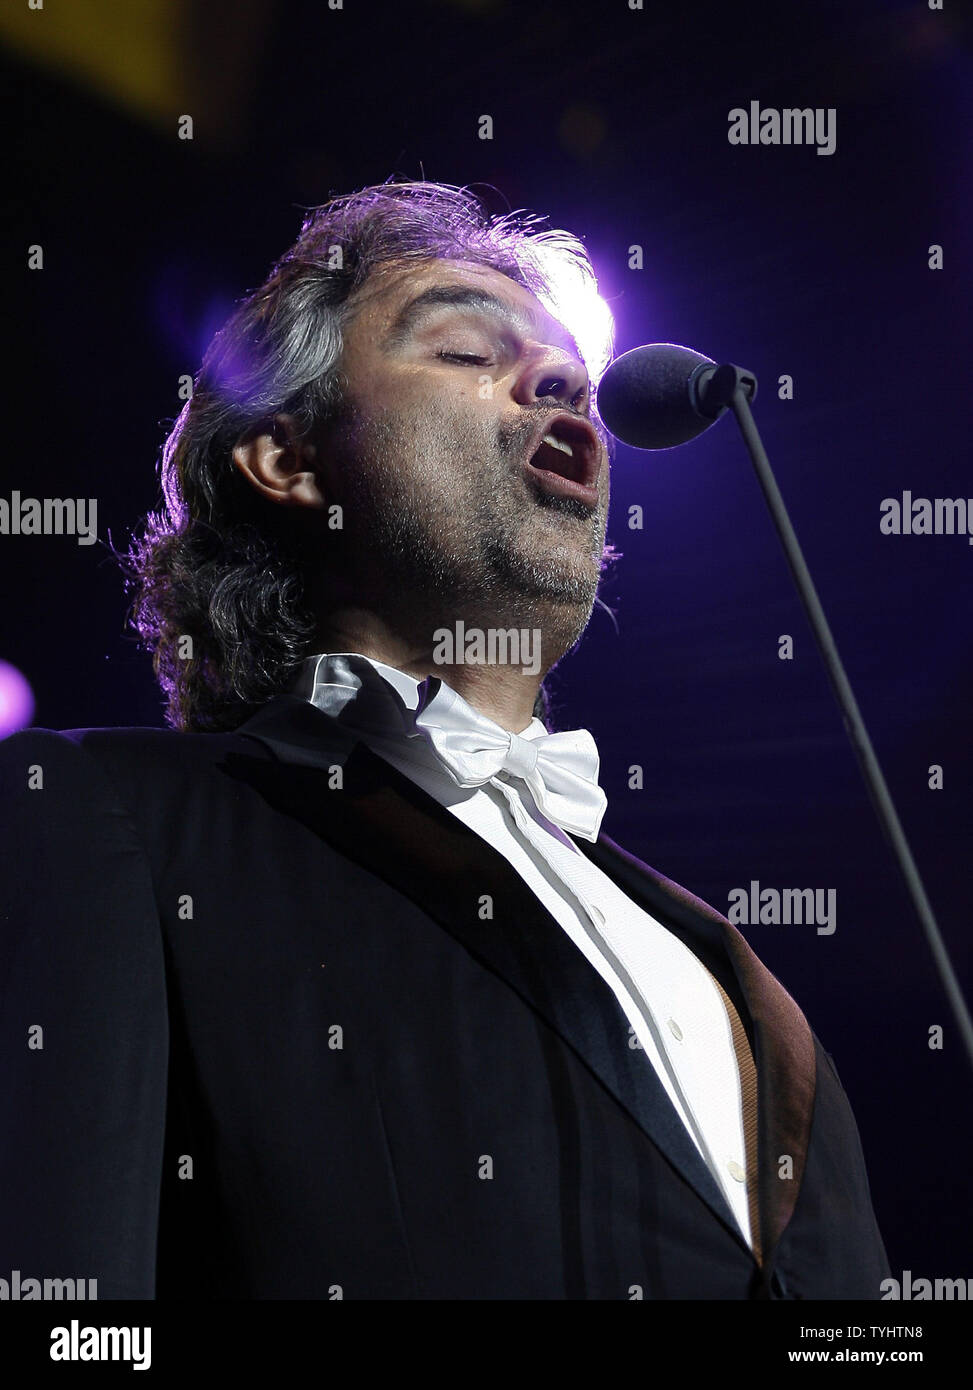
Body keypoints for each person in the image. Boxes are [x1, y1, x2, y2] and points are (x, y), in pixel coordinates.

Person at [0, 180, 888, 1300]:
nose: (567, 379)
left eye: (567, 365)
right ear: (290, 461)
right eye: (468, 349)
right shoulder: (105, 816)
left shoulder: (726, 971)